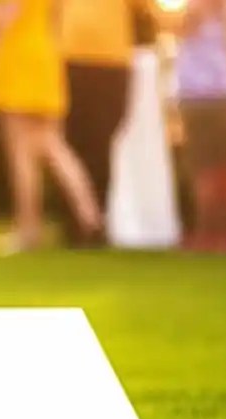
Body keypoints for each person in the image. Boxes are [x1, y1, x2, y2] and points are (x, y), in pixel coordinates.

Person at [0, 0, 101, 254]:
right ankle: (88, 212)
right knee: (51, 143)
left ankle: (29, 228)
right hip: (45, 54)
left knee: (20, 150)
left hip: (17, 58)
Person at [60, 0, 151, 247]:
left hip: (113, 59)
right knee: (73, 141)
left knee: (101, 141)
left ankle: (95, 219)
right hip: (72, 57)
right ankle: (78, 220)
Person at [175, 0, 226, 254]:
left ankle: (210, 234)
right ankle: (219, 234)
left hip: (201, 93)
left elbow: (181, 26)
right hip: (217, 92)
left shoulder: (202, 8)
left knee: (204, 169)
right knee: (217, 167)